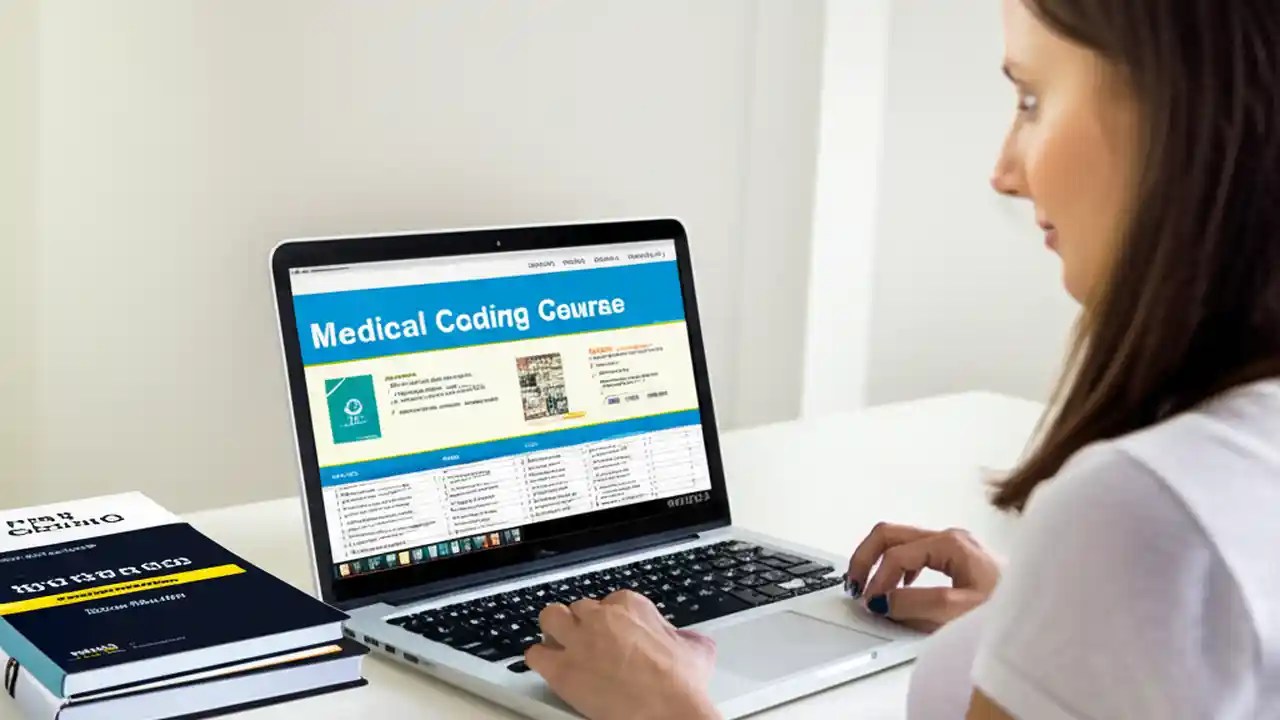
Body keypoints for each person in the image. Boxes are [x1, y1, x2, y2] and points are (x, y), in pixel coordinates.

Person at [522, 0, 1280, 717]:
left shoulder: (1141, 513)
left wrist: (665, 706)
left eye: (1031, 100)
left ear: (1172, 114)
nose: (1005, 172)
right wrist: (1042, 622)